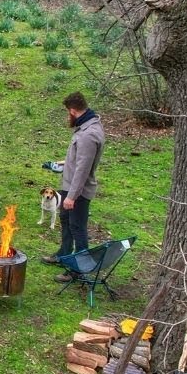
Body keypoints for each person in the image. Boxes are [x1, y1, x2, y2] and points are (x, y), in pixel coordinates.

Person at [41, 92, 105, 283]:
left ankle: (78, 270)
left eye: (67, 113)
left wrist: (72, 197)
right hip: (69, 187)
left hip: (77, 192)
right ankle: (63, 254)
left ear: (73, 111)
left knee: (78, 228)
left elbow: (83, 170)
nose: (67, 117)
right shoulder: (86, 127)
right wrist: (62, 164)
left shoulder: (88, 134)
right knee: (66, 221)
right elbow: (78, 160)